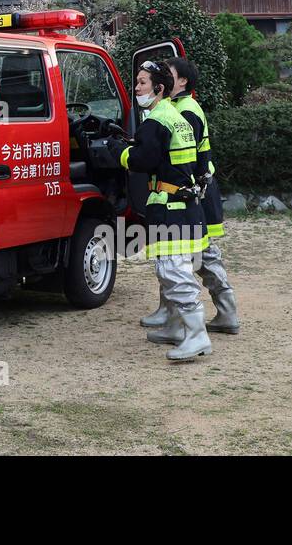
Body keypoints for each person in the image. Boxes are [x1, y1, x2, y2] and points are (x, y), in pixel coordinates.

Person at [107, 59, 212, 361]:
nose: (136, 87)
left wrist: (119, 151)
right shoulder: (173, 116)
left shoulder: (156, 121)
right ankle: (177, 329)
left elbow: (142, 162)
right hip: (183, 205)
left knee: (173, 271)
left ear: (159, 88)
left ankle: (197, 336)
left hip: (171, 208)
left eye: (141, 82)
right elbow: (168, 156)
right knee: (171, 270)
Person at [161, 57, 240, 334]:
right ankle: (172, 315)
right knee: (179, 252)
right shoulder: (175, 106)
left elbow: (185, 160)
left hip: (195, 192)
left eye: (168, 73)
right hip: (195, 190)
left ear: (182, 81)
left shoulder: (187, 110)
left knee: (201, 254)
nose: (162, 77)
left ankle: (224, 313)